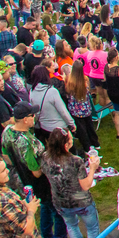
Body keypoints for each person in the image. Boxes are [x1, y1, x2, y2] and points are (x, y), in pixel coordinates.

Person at [2, 101, 67, 238]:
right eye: (33, 115)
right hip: (41, 183)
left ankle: (46, 234)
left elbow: (6, 157)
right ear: (25, 120)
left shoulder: (7, 132)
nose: (35, 116)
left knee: (44, 207)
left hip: (22, 182)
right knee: (58, 212)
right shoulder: (29, 142)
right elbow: (37, 172)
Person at [38, 127, 101, 238]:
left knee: (71, 227)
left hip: (61, 203)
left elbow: (44, 171)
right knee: (92, 228)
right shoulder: (75, 161)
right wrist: (92, 169)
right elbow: (86, 185)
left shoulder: (45, 157)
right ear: (65, 145)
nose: (72, 140)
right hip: (82, 203)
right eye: (71, 139)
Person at [63, 60, 100, 154]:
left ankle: (87, 147)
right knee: (90, 126)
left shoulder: (70, 82)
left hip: (76, 110)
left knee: (82, 130)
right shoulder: (85, 80)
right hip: (86, 108)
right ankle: (95, 143)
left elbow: (67, 95)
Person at [0, 158, 42, 237]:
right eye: (3, 170)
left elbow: (9, 215)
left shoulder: (3, 188)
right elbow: (27, 230)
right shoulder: (3, 200)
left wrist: (22, 204)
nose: (8, 171)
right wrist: (31, 210)